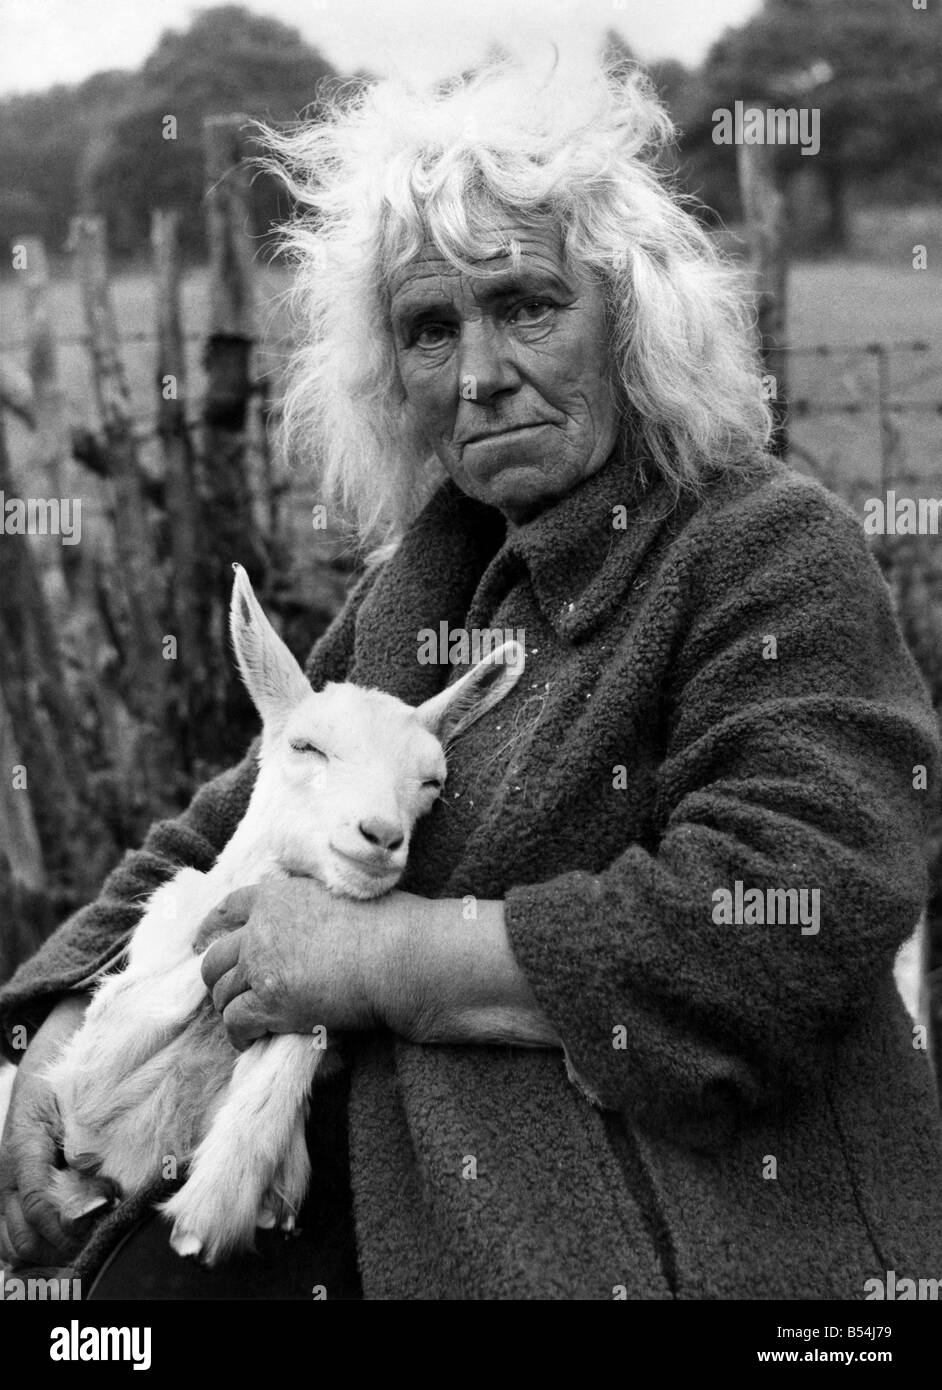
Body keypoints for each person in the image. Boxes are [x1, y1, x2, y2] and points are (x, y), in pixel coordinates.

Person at [1, 58, 941, 1301]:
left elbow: (784, 915)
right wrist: (47, 1041)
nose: (480, 370)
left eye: (527, 305)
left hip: (695, 1252)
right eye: (431, 328)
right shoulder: (425, 588)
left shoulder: (765, 552)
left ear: (631, 314)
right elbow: (227, 828)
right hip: (379, 1210)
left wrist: (377, 958)